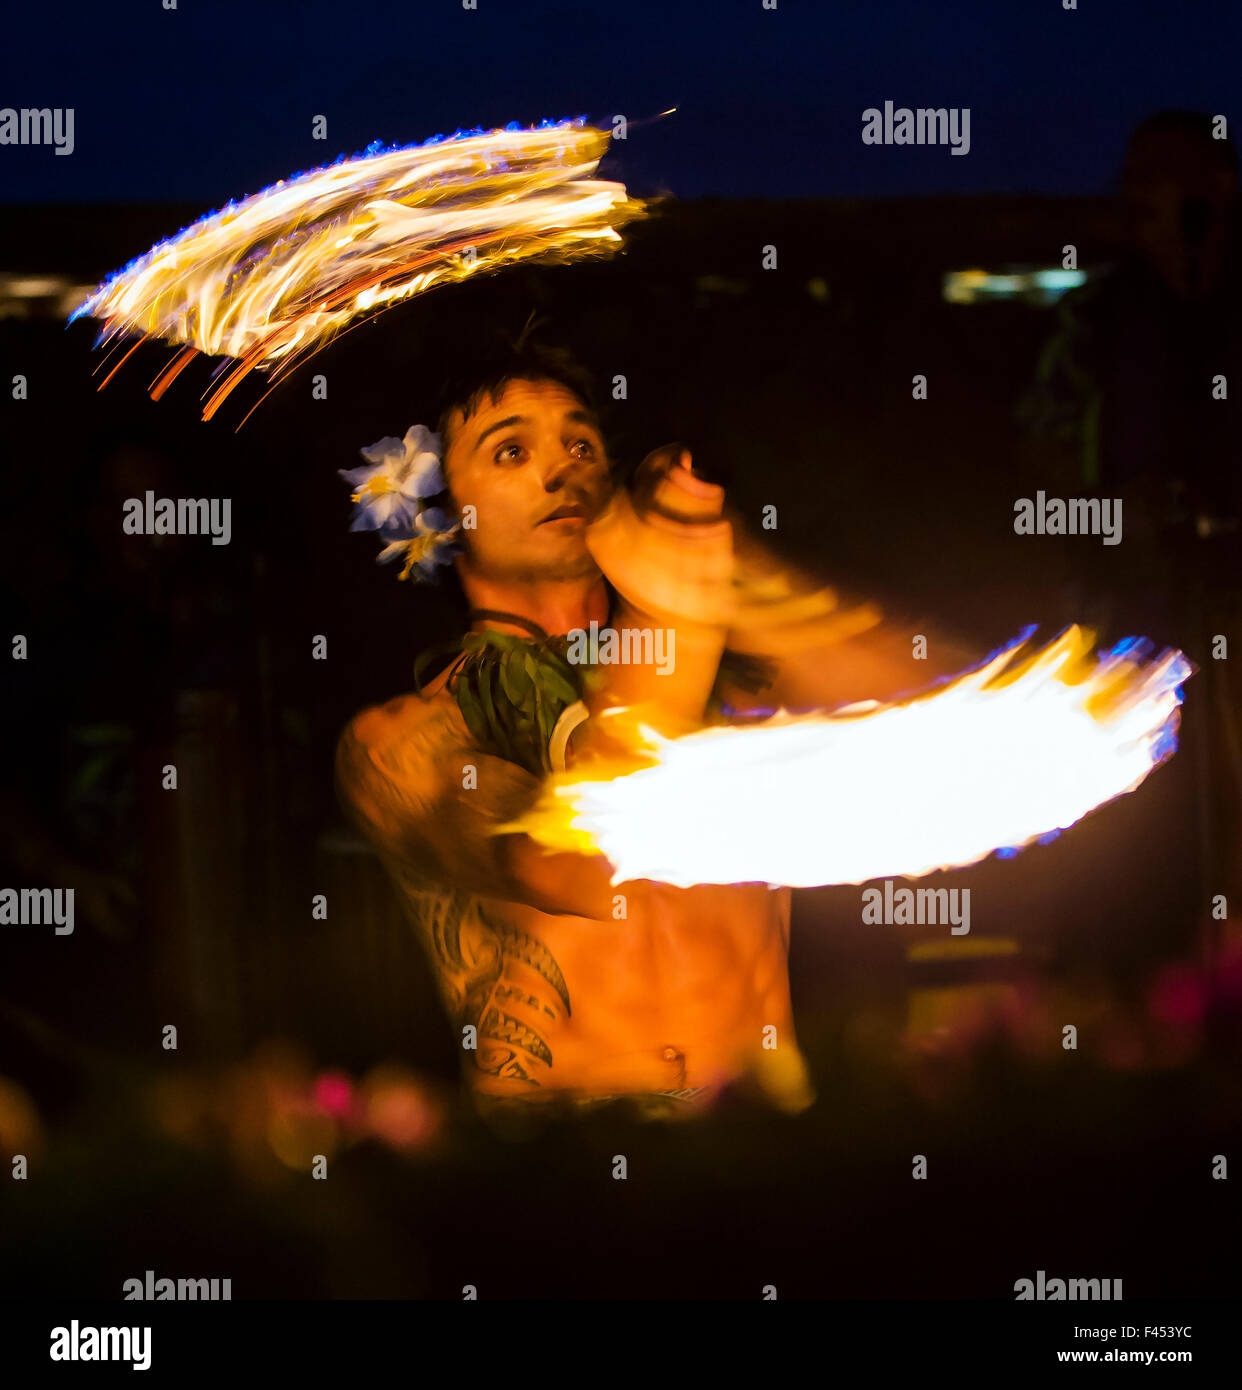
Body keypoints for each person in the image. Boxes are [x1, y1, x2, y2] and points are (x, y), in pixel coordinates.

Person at [334, 332, 964, 1127]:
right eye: (510, 453)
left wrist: (728, 575)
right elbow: (587, 864)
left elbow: (952, 719)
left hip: (768, 1153)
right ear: (437, 516)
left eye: (580, 443)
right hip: (569, 1187)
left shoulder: (728, 694)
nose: (561, 469)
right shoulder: (406, 740)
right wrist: (673, 608)